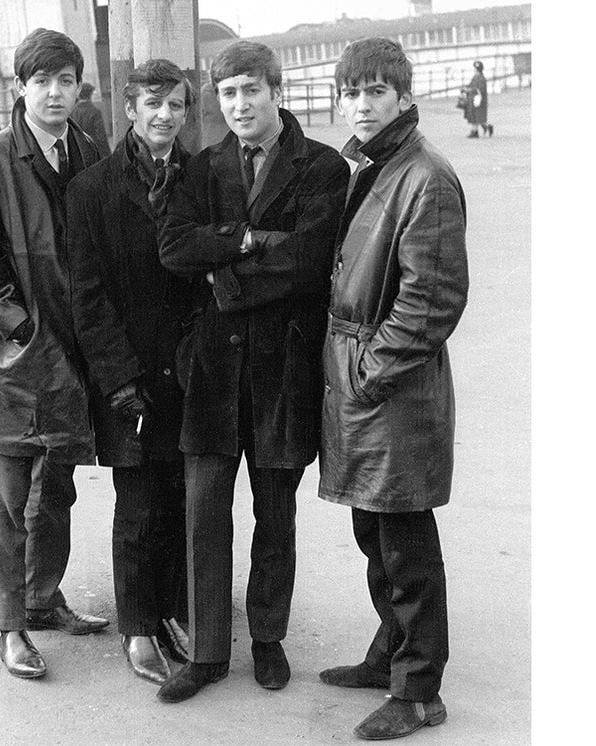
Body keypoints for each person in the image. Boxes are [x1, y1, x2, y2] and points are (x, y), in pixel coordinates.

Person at [155, 40, 349, 703]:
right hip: (211, 370)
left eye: (250, 90)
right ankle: (207, 652)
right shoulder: (203, 167)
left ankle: (267, 638)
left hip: (282, 369)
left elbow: (307, 262)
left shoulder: (321, 168)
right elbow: (174, 246)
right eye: (228, 92)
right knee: (204, 512)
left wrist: (225, 275)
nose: (239, 104)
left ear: (277, 89)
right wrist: (246, 240)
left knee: (275, 515)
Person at [0, 28, 109, 682]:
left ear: (77, 86)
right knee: (9, 497)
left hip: (73, 357)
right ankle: (9, 625)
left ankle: (43, 598)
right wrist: (18, 323)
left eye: (65, 80)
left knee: (56, 490)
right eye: (41, 81)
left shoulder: (89, 152)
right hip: (16, 362)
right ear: (21, 88)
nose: (54, 92)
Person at [318, 37, 468, 740]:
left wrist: (366, 372)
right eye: (351, 91)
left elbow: (431, 300)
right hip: (364, 386)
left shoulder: (423, 176)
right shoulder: (374, 164)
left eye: (376, 91)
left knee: (403, 539)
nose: (360, 103)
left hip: (391, 390)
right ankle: (389, 654)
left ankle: (417, 690)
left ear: (403, 98)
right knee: (372, 530)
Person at [67, 59, 196, 685]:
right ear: (129, 109)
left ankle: (172, 609)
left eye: (175, 104)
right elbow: (86, 297)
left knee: (180, 498)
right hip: (131, 380)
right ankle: (138, 627)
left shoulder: (201, 179)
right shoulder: (91, 190)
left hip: (192, 373)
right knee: (138, 505)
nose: (164, 115)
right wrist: (119, 382)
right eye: (152, 103)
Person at [70, 82, 112, 157]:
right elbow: (101, 136)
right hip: (93, 152)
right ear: (90, 95)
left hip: (77, 153)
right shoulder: (95, 112)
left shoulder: (72, 112)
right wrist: (108, 155)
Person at [463, 60, 492, 138]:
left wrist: (469, 89)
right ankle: (475, 131)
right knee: (475, 116)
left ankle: (476, 131)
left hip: (478, 100)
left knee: (478, 117)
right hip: (474, 99)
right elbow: (471, 85)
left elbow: (480, 89)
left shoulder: (481, 78)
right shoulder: (477, 77)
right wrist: (466, 87)